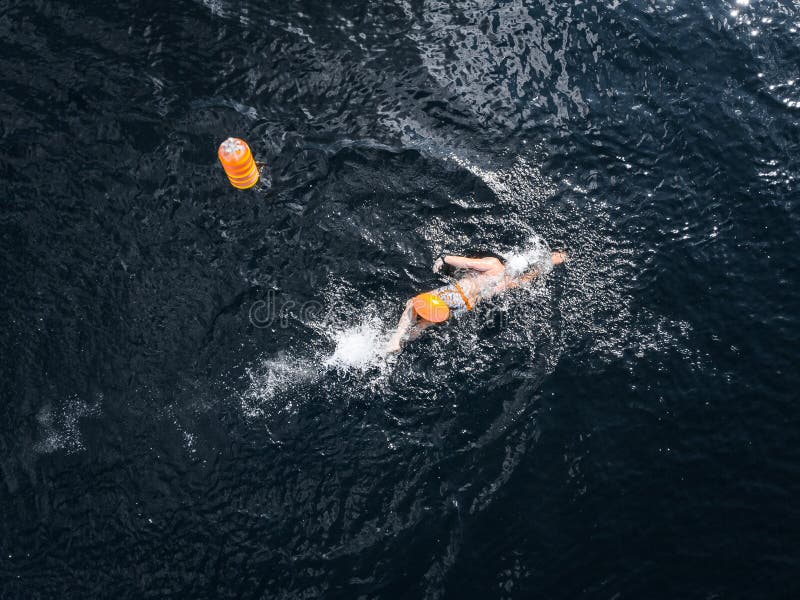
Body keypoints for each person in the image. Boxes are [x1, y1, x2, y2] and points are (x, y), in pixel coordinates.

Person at [385, 249, 567, 353]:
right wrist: (553, 260)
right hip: (465, 307)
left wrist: (444, 258)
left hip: (456, 293)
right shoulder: (508, 282)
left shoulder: (494, 264)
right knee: (426, 322)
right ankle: (403, 343)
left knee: (413, 303)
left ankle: (395, 339)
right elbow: (530, 276)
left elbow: (468, 264)